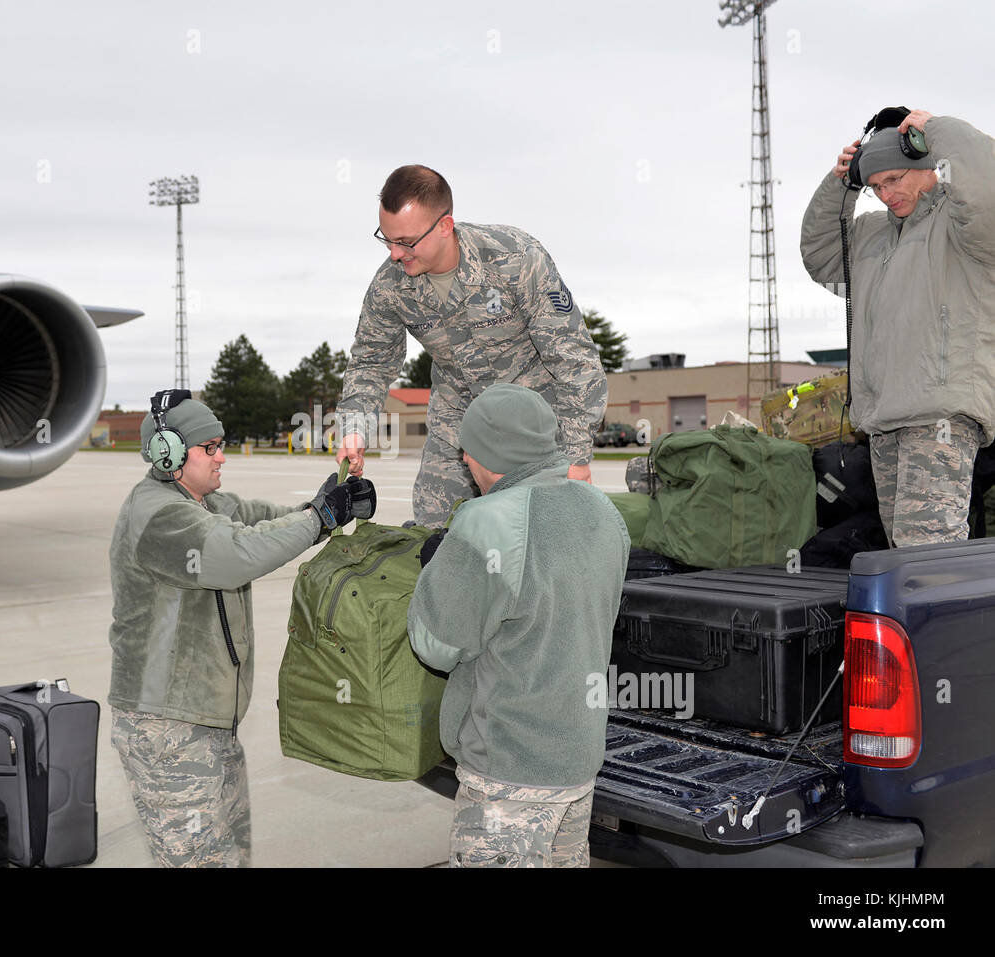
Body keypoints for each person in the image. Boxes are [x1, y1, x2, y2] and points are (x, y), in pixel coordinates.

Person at [107, 393, 373, 867]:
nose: (222, 457)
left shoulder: (205, 503)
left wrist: (329, 503)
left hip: (205, 723)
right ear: (167, 452)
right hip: (168, 729)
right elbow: (237, 555)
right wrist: (318, 518)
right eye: (209, 448)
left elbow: (264, 521)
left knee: (227, 858)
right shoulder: (159, 515)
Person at [406, 383, 629, 867]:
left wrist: (437, 569)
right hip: (578, 761)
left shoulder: (485, 521)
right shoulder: (604, 512)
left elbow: (435, 645)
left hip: (507, 772)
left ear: (486, 452)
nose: (464, 462)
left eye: (467, 451)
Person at [334, 164, 607, 526]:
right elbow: (370, 363)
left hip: (534, 422)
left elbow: (574, 360)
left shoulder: (516, 259)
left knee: (545, 535)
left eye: (406, 242)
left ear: (444, 226)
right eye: (386, 238)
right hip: (458, 419)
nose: (395, 253)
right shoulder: (390, 287)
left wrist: (577, 458)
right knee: (436, 530)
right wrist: (354, 428)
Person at [801, 108, 995, 546]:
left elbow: (986, 191)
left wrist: (936, 128)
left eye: (894, 179)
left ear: (925, 165)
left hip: (939, 414)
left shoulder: (964, 226)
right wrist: (841, 184)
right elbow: (821, 257)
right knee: (904, 561)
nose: (886, 194)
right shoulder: (871, 234)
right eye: (874, 186)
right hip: (884, 419)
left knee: (928, 556)